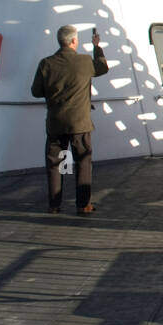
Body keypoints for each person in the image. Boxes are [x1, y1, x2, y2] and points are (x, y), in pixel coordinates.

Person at [31, 25, 109, 215]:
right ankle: (83, 204)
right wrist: (97, 47)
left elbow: (36, 92)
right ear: (74, 41)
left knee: (56, 164)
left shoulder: (46, 63)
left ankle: (54, 205)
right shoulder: (84, 61)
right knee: (82, 162)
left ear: (60, 41)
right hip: (79, 123)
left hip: (55, 123)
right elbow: (103, 68)